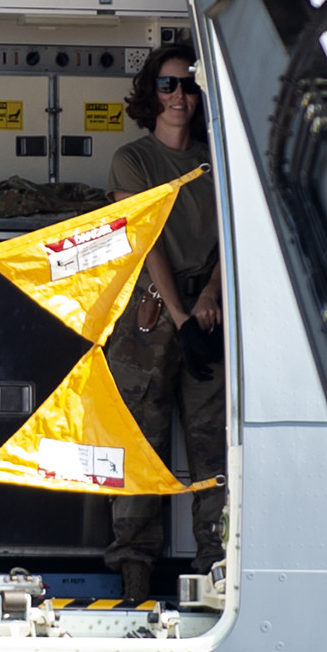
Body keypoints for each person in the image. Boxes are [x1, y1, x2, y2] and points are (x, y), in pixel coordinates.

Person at [102, 40, 224, 604]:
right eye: (168, 85)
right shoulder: (135, 159)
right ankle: (133, 576)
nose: (179, 96)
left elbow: (231, 232)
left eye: (188, 86)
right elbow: (144, 235)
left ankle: (217, 564)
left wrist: (210, 299)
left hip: (207, 310)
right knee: (138, 445)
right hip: (152, 315)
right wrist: (180, 312)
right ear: (150, 95)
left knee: (213, 447)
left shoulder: (216, 158)